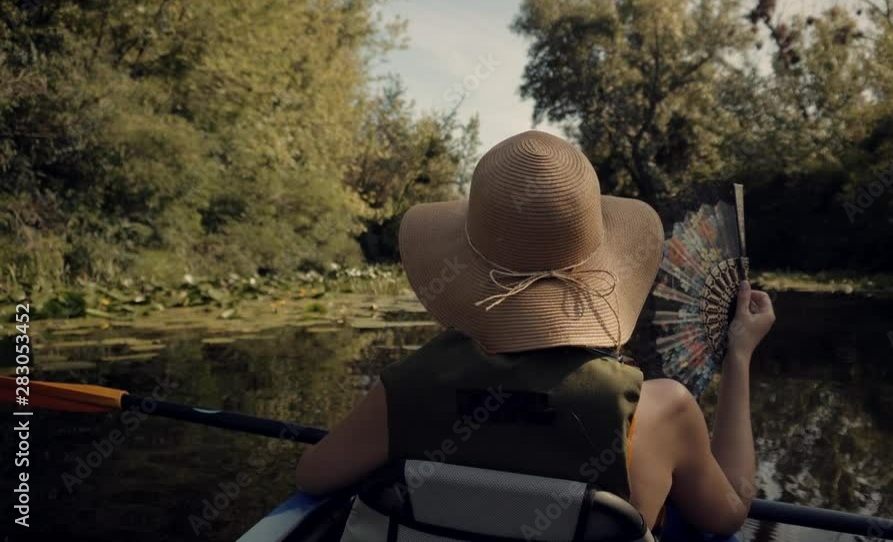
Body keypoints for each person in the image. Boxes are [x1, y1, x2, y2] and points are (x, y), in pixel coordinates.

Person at [296, 130, 775, 536]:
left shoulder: (405, 393)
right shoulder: (661, 411)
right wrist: (739, 357)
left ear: (462, 267)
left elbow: (313, 475)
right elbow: (731, 512)